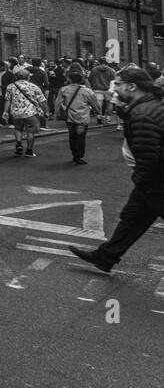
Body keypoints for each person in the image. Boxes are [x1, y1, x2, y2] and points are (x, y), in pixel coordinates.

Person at [71, 67, 164, 273]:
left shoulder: (143, 114)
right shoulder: (150, 104)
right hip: (153, 181)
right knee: (132, 217)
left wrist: (141, 180)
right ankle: (106, 256)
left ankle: (107, 255)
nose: (114, 89)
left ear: (132, 86)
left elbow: (148, 158)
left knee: (133, 216)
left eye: (118, 84)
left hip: (156, 181)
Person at [53, 68, 99, 165]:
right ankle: (79, 155)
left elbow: (58, 102)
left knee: (72, 135)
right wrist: (97, 112)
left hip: (69, 115)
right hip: (83, 116)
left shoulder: (64, 89)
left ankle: (74, 153)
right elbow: (95, 104)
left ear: (69, 79)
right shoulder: (87, 91)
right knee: (80, 137)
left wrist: (56, 113)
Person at [3, 65, 46, 157]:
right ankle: (29, 151)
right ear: (28, 77)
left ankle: (19, 144)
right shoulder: (34, 87)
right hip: (30, 113)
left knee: (18, 128)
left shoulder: (11, 86)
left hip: (16, 113)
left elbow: (7, 100)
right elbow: (42, 101)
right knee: (30, 132)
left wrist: (5, 111)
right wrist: (46, 111)